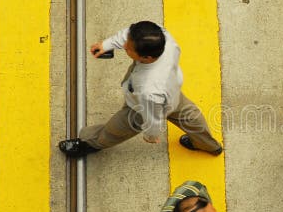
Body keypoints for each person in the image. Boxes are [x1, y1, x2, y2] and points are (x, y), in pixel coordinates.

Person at [58, 21, 222, 158]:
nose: (124, 47)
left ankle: (90, 143)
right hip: (173, 93)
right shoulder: (163, 38)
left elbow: (152, 117)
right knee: (192, 118)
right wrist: (107, 44)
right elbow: (129, 34)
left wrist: (151, 135)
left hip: (141, 107)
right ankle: (209, 145)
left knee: (114, 130)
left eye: (128, 49)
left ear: (147, 58)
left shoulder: (148, 89)